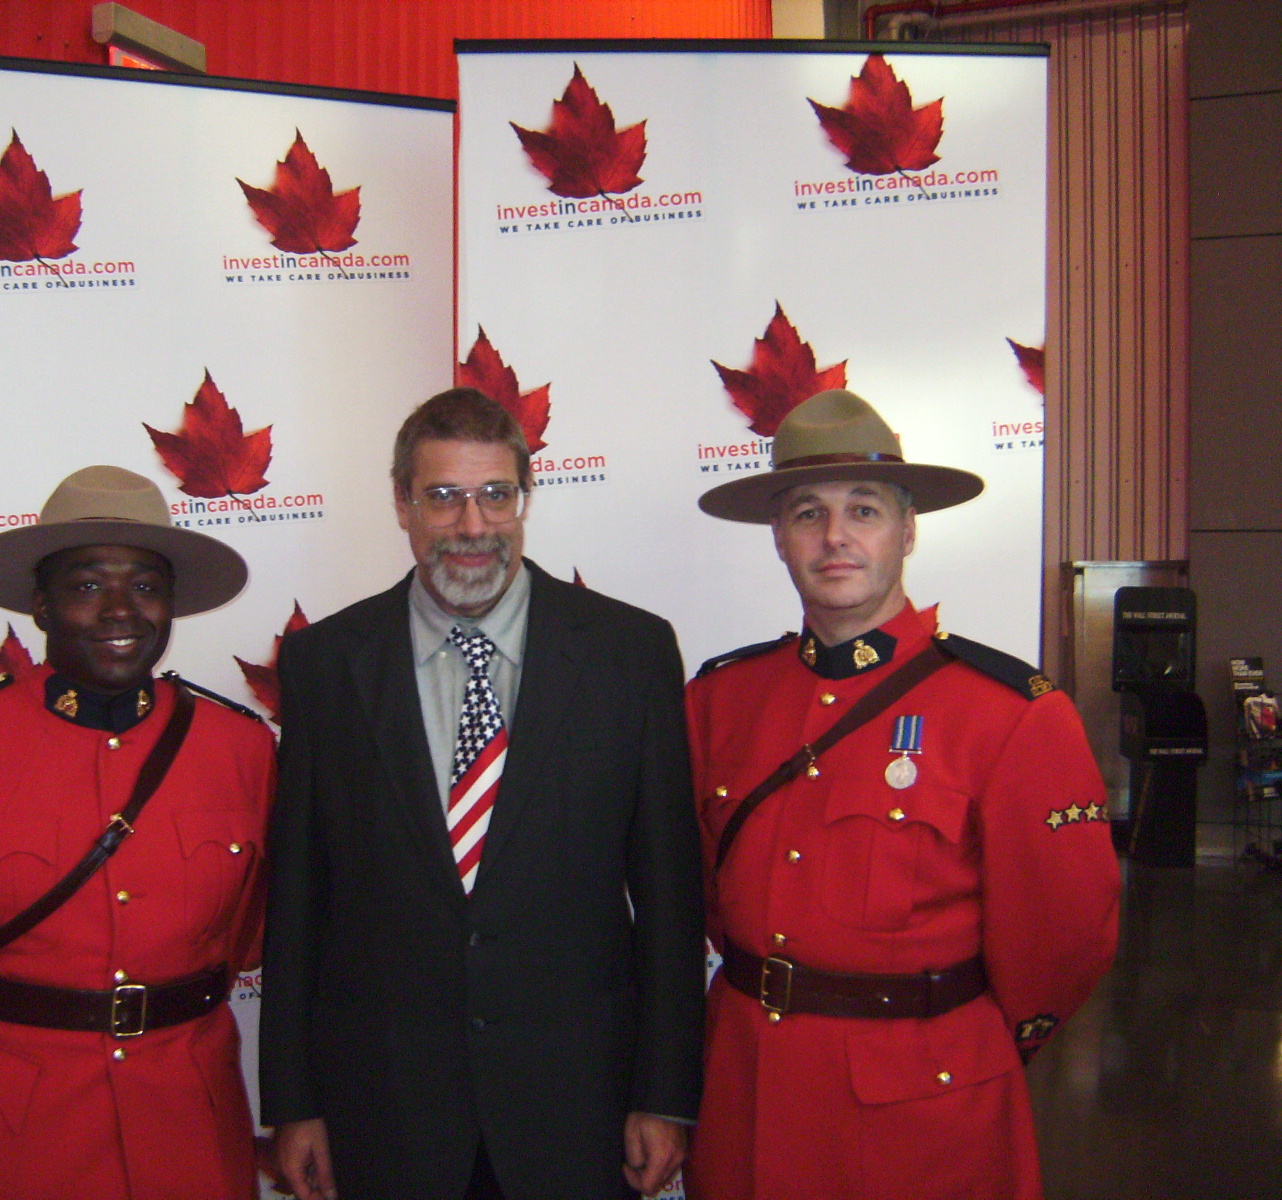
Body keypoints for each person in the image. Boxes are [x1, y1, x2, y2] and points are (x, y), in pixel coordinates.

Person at [259, 388, 703, 1200]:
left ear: (524, 499)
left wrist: (665, 1095)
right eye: (443, 497)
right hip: (386, 1110)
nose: (473, 526)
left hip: (579, 1109)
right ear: (402, 504)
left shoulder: (629, 654)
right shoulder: (325, 665)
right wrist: (293, 1103)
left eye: (497, 495)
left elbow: (670, 902)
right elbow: (297, 902)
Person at [684, 389, 1121, 1199]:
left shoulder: (1009, 714)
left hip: (921, 1113)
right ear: (777, 536)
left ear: (909, 528)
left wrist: (967, 1042)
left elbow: (1063, 941)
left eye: (865, 509)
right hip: (745, 1091)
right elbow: (705, 892)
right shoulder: (720, 701)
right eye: (808, 512)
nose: (836, 536)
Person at [0, 465, 275, 1200]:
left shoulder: (240, 750)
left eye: (145, 585)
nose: (120, 611)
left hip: (186, 1131)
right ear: (39, 604)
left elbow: (244, 937)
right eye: (87, 585)